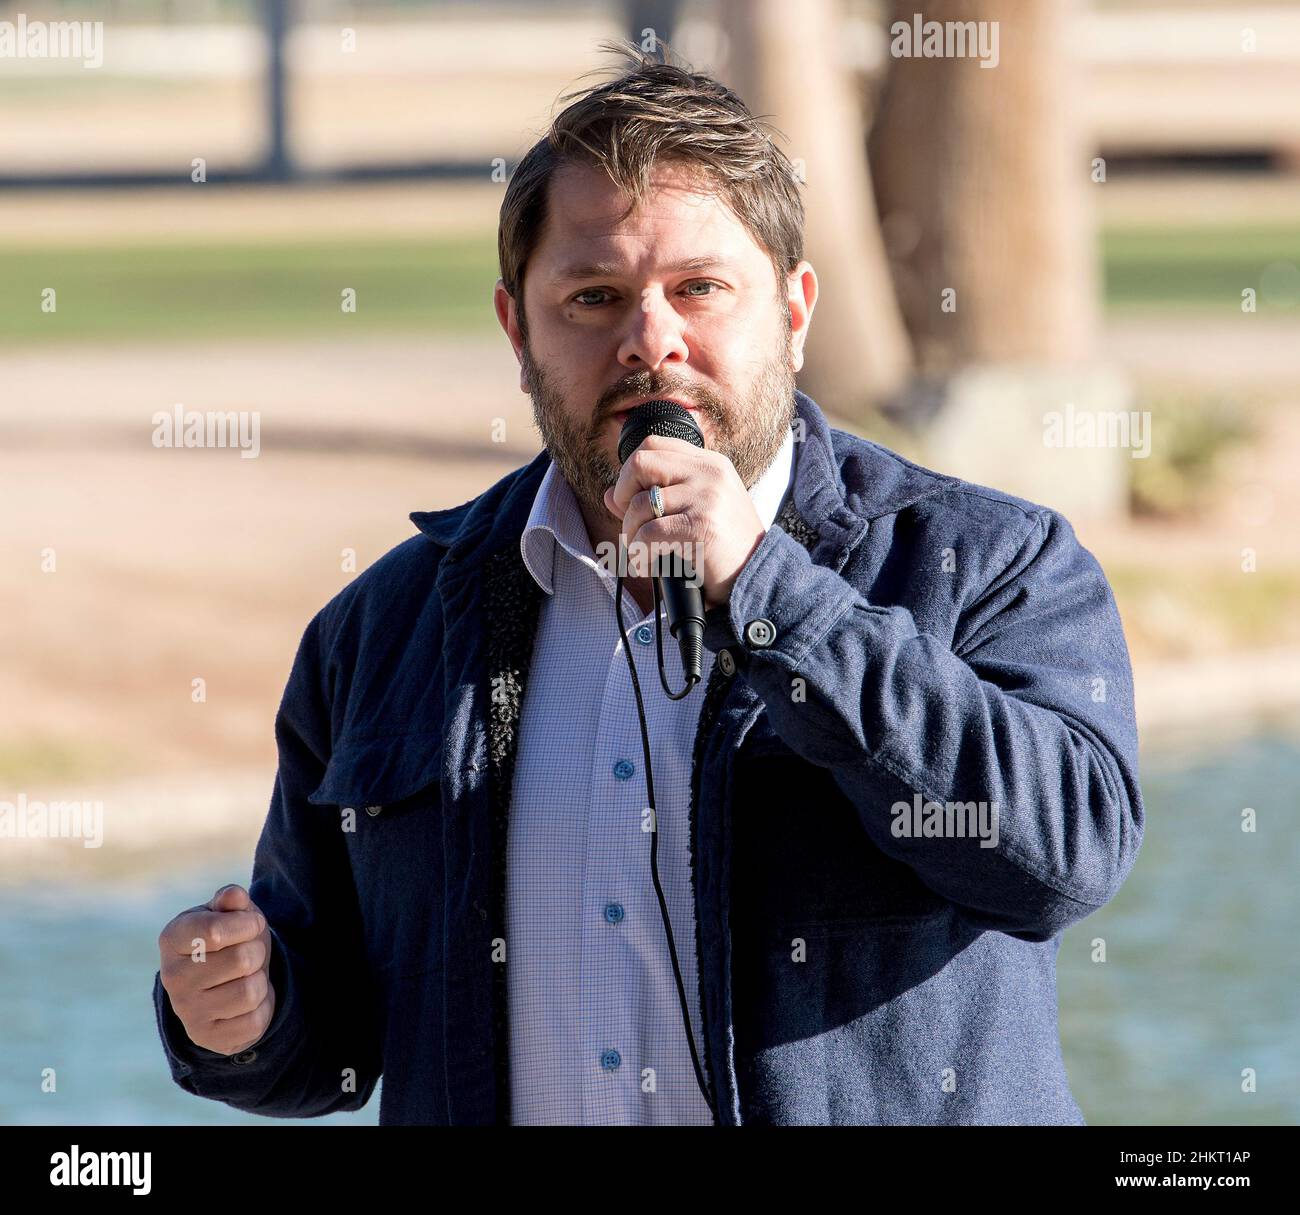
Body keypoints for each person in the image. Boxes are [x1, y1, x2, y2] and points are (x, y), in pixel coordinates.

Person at [153, 44, 1143, 1126]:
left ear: (795, 312)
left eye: (700, 289)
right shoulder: (382, 626)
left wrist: (772, 592)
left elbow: (1062, 861)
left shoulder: (986, 563)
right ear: (517, 332)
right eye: (593, 296)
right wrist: (241, 1017)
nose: (649, 341)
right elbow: (329, 1044)